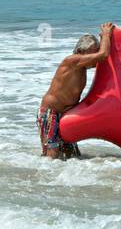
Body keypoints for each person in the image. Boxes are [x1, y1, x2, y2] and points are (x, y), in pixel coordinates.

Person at [38, 22, 116, 159]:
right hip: (51, 112)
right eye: (92, 53)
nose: (95, 57)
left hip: (67, 114)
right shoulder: (72, 61)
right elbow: (103, 55)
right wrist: (106, 34)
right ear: (81, 52)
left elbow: (106, 55)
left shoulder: (82, 67)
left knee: (72, 155)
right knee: (52, 154)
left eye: (96, 52)